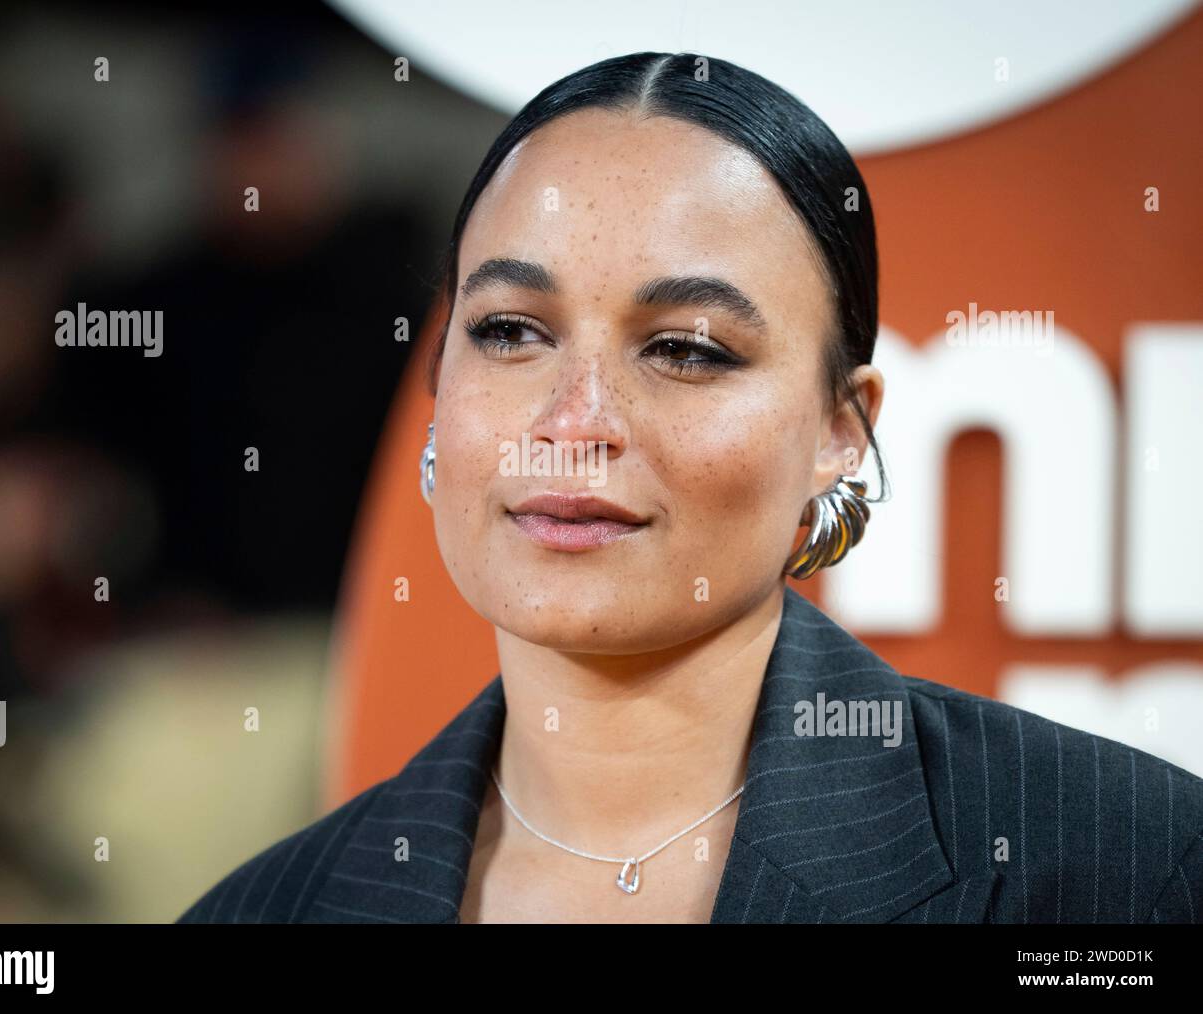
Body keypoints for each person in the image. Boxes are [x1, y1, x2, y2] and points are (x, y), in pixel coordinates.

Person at [177, 51, 1203, 924]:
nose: (573, 425)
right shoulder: (266, 912)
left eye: (685, 349)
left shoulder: (1125, 871)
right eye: (510, 332)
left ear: (840, 431)